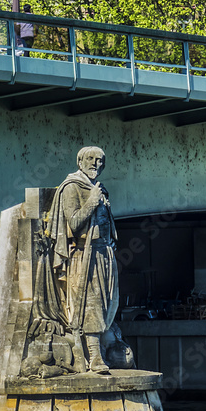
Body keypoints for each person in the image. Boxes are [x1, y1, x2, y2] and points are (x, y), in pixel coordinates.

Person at [45, 146, 120, 374]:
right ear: (80, 161)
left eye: (100, 160)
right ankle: (94, 357)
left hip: (104, 254)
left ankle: (100, 352)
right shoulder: (72, 187)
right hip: (84, 256)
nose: (96, 164)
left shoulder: (100, 189)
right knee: (91, 303)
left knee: (106, 303)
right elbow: (75, 223)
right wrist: (92, 201)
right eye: (90, 159)